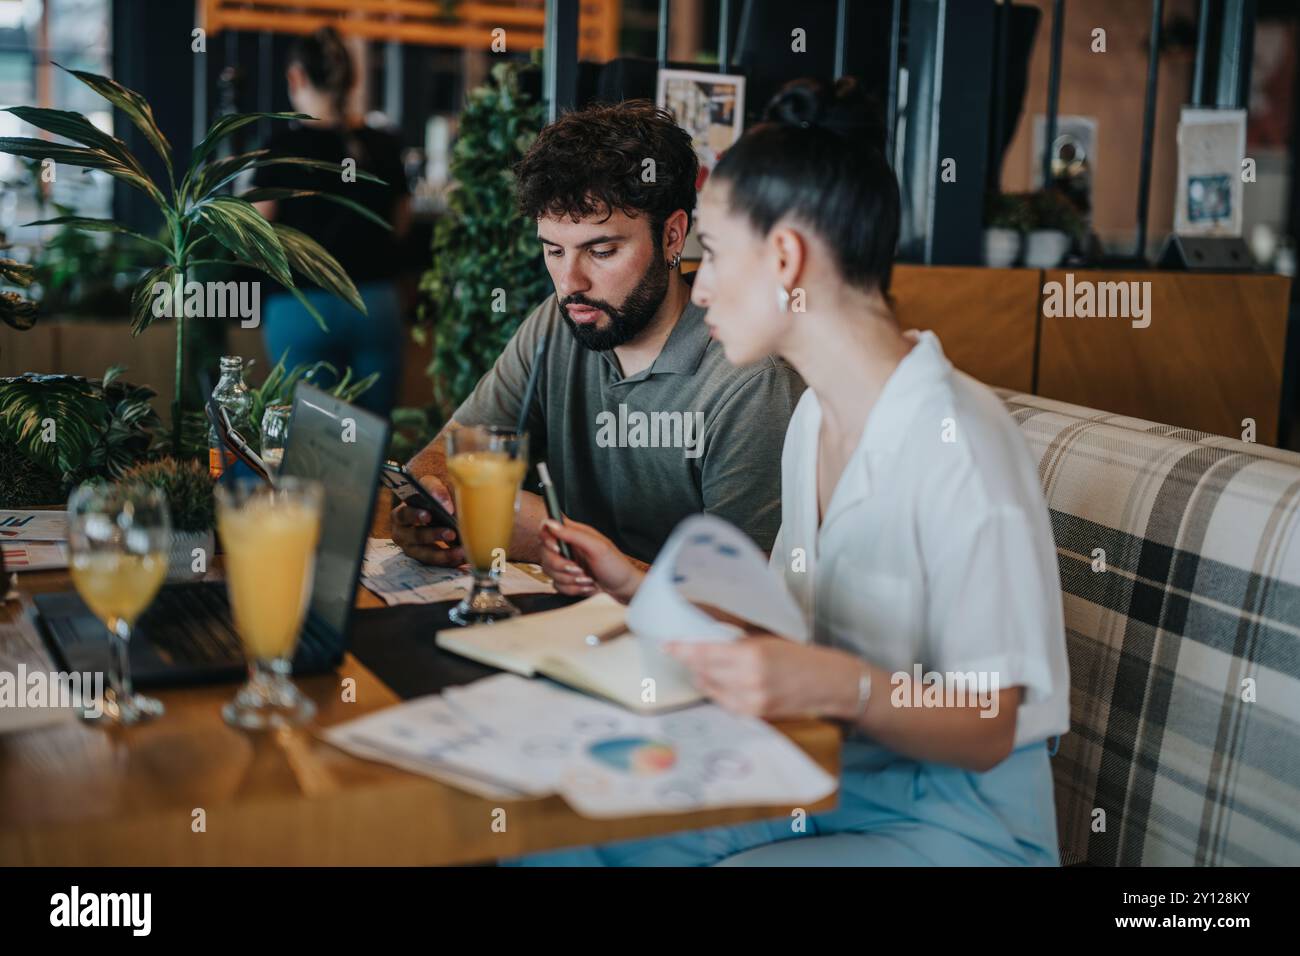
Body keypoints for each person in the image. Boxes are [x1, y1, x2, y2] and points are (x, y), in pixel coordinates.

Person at [517, 78, 1071, 866]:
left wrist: (830, 686)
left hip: (960, 822)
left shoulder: (959, 441)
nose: (699, 288)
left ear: (786, 257)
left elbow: (990, 725)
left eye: (715, 254)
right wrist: (638, 587)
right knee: (558, 836)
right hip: (831, 776)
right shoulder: (815, 416)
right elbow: (781, 634)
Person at [394, 100, 804, 568]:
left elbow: (741, 602)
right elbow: (449, 452)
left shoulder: (751, 382)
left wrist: (554, 541)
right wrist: (429, 506)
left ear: (672, 236)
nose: (570, 284)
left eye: (602, 251)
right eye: (553, 250)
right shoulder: (558, 322)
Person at [251, 26, 410, 417]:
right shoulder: (382, 144)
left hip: (300, 305)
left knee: (312, 442)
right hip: (374, 304)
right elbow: (401, 224)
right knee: (373, 442)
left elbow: (256, 230)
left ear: (296, 77)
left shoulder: (280, 146)